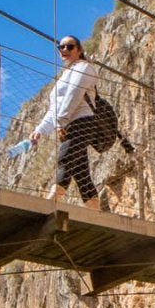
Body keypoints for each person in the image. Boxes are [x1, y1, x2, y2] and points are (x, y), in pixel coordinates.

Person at [30, 34, 102, 209]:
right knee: (80, 172)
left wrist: (60, 123)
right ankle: (95, 212)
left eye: (69, 46)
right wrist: (40, 130)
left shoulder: (84, 67)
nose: (64, 50)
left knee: (65, 160)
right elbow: (54, 107)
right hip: (69, 125)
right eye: (61, 47)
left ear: (79, 50)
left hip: (83, 122)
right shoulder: (65, 75)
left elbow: (74, 95)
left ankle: (50, 203)